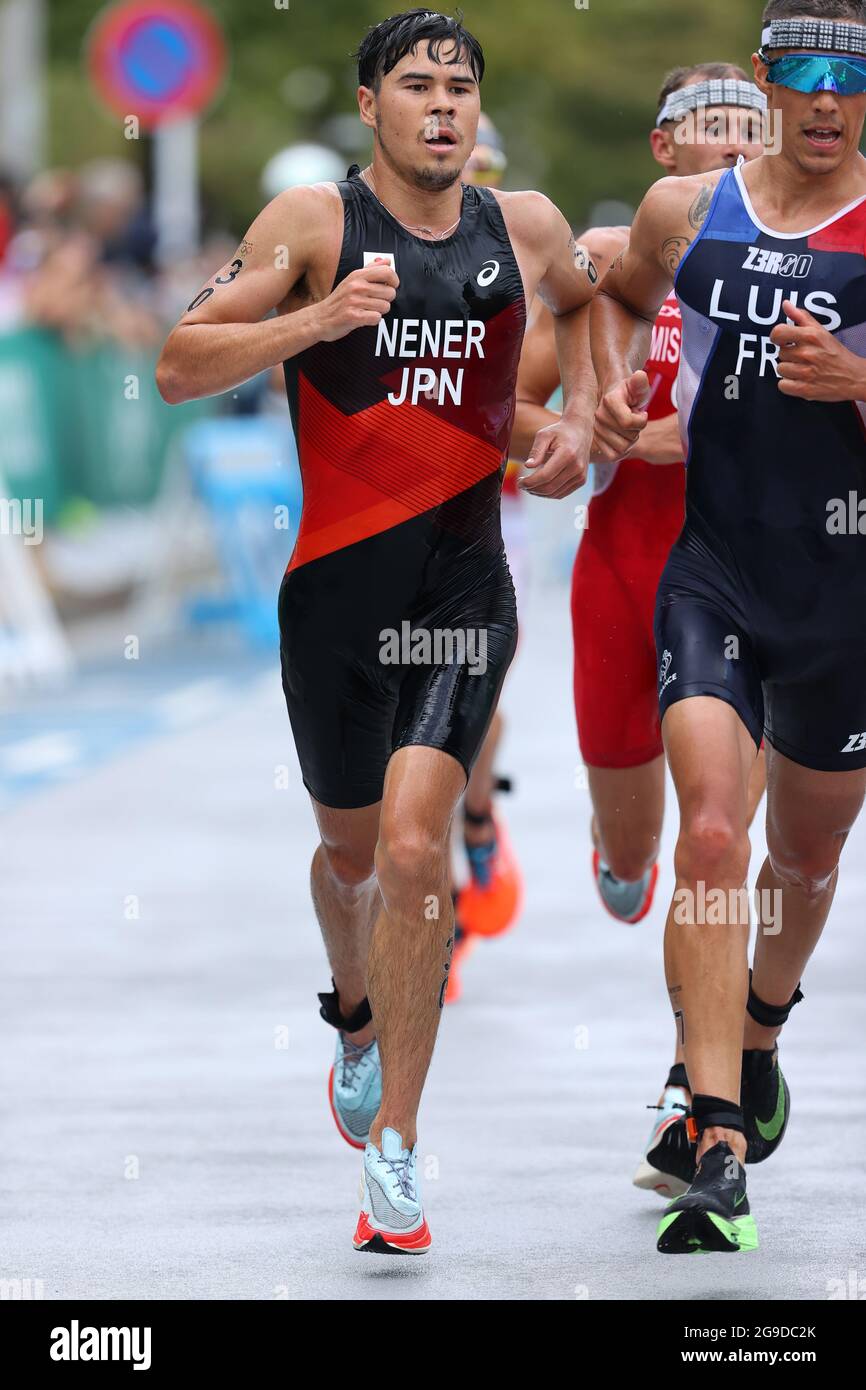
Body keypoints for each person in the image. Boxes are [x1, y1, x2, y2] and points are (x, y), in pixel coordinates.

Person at [156, 7, 597, 1255]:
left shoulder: (527, 226)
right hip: (336, 600)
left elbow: (584, 306)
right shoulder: (312, 226)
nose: (441, 106)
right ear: (369, 107)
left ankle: (396, 1150)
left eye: (459, 86)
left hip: (463, 592)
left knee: (412, 851)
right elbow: (179, 362)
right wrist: (315, 321)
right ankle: (351, 1011)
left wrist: (573, 421)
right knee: (349, 859)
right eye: (415, 86)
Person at [592, 0, 866, 1253]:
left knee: (801, 860)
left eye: (851, 76)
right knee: (709, 829)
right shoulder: (685, 210)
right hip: (713, 574)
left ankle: (754, 1040)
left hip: (843, 596)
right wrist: (606, 395)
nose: (828, 98)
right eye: (804, 71)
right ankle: (711, 1137)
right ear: (765, 81)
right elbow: (615, 296)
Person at [512, 65, 767, 1197]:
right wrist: (586, 424)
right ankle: (615, 852)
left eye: (750, 133)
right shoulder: (618, 266)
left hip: (742, 589)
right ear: (665, 153)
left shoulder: (800, 267)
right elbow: (509, 398)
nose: (734, 150)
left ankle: (690, 1087)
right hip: (623, 582)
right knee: (636, 855)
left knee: (715, 839)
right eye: (711, 132)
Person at [447, 111, 526, 1003]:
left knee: (476, 695)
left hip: (493, 522)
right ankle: (431, 929)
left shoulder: (518, 253)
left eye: (485, 167)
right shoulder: (368, 248)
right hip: (392, 522)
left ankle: (477, 815)